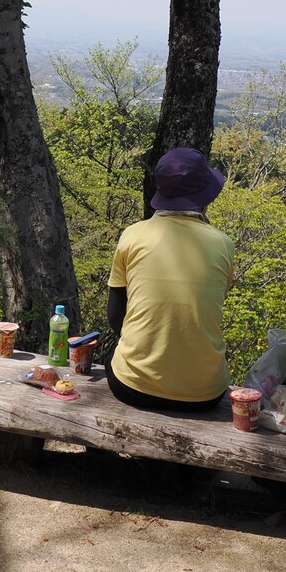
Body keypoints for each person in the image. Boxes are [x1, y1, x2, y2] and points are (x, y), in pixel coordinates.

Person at [106, 148, 235, 412]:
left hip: (133, 387)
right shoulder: (223, 244)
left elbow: (115, 317)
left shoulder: (132, 236)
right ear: (205, 199)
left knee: (113, 358)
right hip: (205, 394)